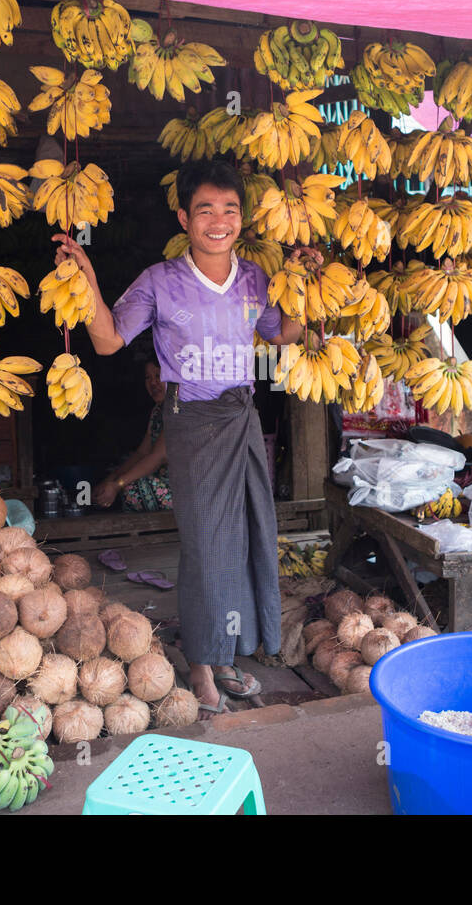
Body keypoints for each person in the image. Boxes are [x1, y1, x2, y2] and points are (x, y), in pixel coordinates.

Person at [51, 159, 309, 719]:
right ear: (184, 218)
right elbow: (110, 341)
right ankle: (200, 660)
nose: (218, 221)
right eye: (205, 211)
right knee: (205, 543)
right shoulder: (159, 281)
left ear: (242, 218)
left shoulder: (255, 278)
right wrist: (89, 281)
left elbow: (283, 332)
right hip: (192, 420)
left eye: (230, 210)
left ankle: (231, 651)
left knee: (244, 538)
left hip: (242, 415)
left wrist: (303, 283)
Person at [92, 360, 171, 511]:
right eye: (148, 378)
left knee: (133, 489)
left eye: (158, 375)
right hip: (162, 483)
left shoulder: (179, 409)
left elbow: (158, 456)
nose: (153, 383)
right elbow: (142, 453)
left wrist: (117, 484)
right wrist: (111, 479)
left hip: (184, 492)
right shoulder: (157, 411)